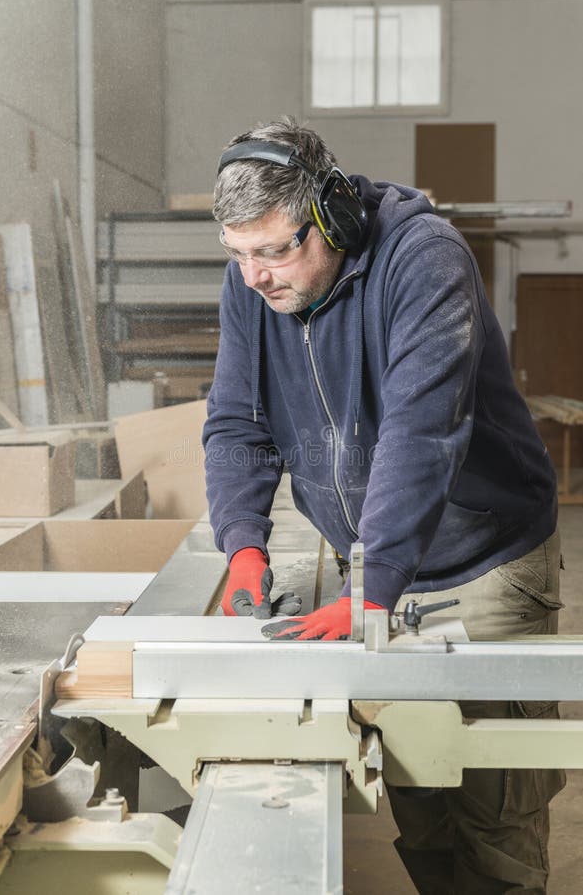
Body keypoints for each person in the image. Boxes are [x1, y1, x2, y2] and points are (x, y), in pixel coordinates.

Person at [202, 116, 564, 893]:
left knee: (492, 802)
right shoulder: (253, 285)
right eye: (238, 256)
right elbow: (237, 420)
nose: (255, 277)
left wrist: (372, 583)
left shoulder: (421, 258)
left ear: (332, 215)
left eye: (273, 251)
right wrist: (242, 545)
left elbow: (420, 430)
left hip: (480, 557)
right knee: (416, 781)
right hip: (378, 558)